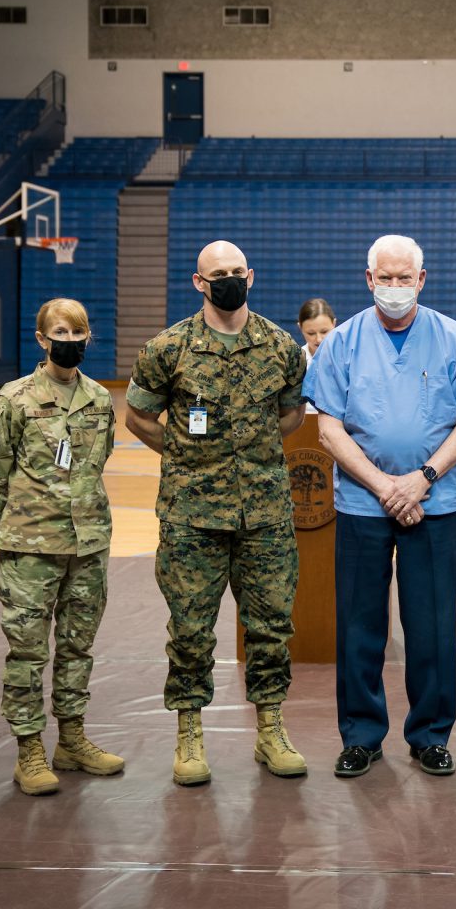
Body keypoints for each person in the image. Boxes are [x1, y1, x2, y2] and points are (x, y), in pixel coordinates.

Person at [304, 235, 456, 778]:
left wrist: (423, 478)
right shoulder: (341, 342)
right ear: (368, 280)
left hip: (435, 502)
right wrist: (385, 486)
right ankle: (361, 735)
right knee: (360, 624)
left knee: (432, 624)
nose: (394, 288)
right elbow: (329, 429)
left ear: (421, 279)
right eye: (384, 278)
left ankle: (430, 735)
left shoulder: (452, 337)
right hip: (364, 503)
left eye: (403, 278)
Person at [125, 240, 309, 784]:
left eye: (236, 272)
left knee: (272, 628)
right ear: (198, 282)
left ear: (250, 276)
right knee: (190, 629)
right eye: (216, 274)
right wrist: (188, 455)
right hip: (191, 516)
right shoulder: (168, 348)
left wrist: (245, 454)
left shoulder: (280, 347)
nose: (227, 280)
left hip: (265, 515)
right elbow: (138, 418)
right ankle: (189, 736)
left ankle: (271, 731)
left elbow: (293, 415)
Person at [0, 298, 122, 796]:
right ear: (41, 338)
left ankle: (72, 739)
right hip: (31, 545)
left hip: (88, 543)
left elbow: (98, 461)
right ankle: (29, 749)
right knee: (28, 651)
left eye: (79, 332)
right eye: (61, 331)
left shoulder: (100, 399)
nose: (71, 340)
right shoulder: (15, 398)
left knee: (79, 647)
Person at [297, 298, 337, 366]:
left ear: (334, 324)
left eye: (324, 332)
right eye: (311, 333)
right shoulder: (295, 363)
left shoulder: (347, 358)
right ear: (300, 327)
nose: (319, 339)